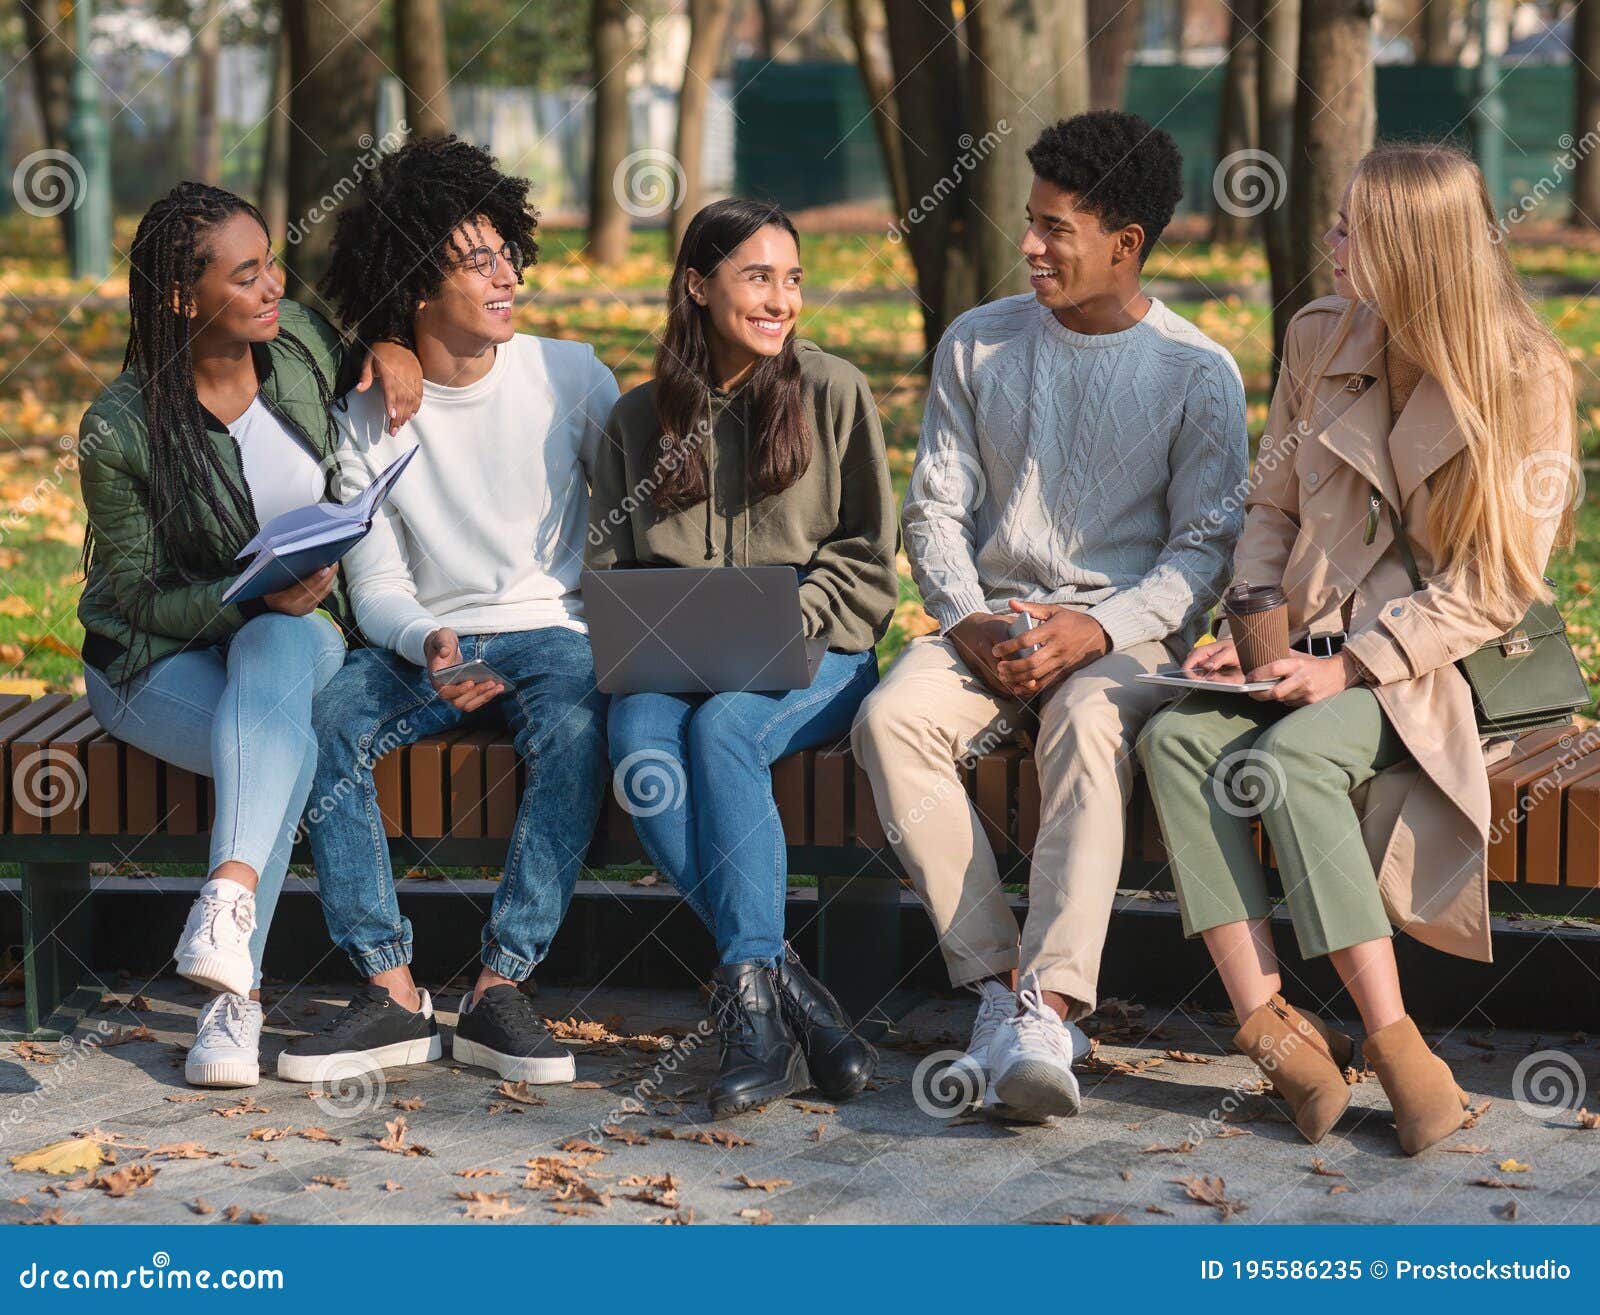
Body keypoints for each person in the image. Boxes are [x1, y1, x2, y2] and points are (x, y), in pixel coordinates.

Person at [1136, 142, 1576, 1155]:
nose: (1329, 244)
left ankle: (1390, 1040)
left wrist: (1348, 664)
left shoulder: (1523, 375)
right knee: (1173, 741)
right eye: (1336, 223)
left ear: (1418, 250)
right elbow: (1269, 507)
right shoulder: (1317, 337)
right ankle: (1277, 1032)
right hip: (1310, 644)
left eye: (1352, 231)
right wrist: (1249, 636)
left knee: (1291, 762)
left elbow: (1494, 586)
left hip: (1439, 665)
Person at [852, 111, 1249, 1122]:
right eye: (1028, 223)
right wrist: (968, 615)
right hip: (990, 619)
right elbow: (933, 507)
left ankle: (1052, 998)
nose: (1029, 246)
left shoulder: (1197, 372)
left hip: (1123, 635)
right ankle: (996, 992)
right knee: (888, 719)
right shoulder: (977, 341)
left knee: (1086, 720)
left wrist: (1104, 629)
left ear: (1126, 243)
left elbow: (1202, 548)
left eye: (1054, 228)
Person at [276, 137, 618, 1086]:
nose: (507, 274)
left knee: (580, 726)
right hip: (424, 637)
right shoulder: (366, 412)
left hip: (557, 630)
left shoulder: (573, 376)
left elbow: (634, 525)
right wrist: (432, 640)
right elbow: (374, 578)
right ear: (415, 287)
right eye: (476, 261)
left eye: (508, 249)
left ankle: (499, 986)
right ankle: (392, 993)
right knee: (328, 720)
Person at [77, 181, 422, 1088]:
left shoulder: (301, 343)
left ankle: (226, 920)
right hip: (150, 664)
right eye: (247, 274)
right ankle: (235, 997)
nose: (273, 284)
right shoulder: (118, 427)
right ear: (183, 299)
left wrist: (387, 348)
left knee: (276, 659)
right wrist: (255, 598)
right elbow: (139, 597)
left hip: (291, 639)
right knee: (288, 753)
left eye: (271, 261)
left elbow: (363, 348)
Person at [588, 198, 898, 1119]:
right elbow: (608, 570)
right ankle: (786, 992)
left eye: (792, 278)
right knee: (641, 751)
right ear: (697, 284)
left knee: (726, 727)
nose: (781, 299)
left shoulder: (834, 390)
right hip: (672, 660)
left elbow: (869, 556)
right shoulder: (636, 419)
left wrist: (787, 613)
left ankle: (753, 1022)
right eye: (757, 276)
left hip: (817, 649)